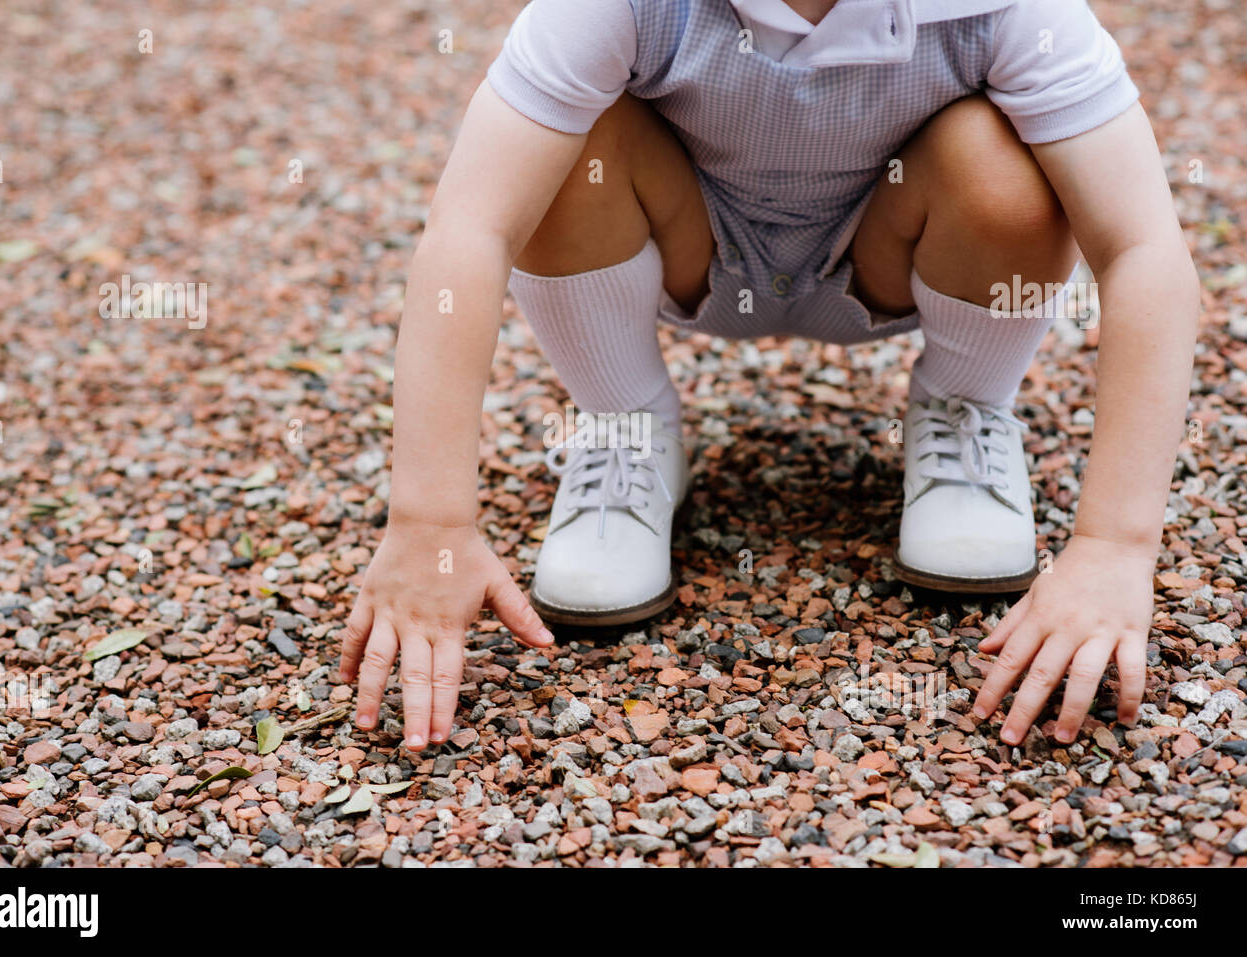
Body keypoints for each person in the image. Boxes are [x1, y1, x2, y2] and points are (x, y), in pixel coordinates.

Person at [339, 0, 1199, 754]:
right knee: (563, 152)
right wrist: (428, 518)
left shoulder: (1007, 7)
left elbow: (1144, 248)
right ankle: (626, 421)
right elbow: (470, 228)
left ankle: (965, 408)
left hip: (896, 249)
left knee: (1008, 160)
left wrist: (1114, 547)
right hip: (687, 240)